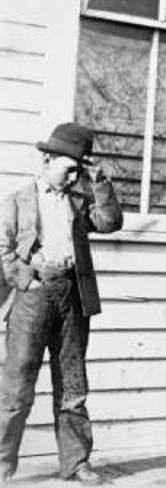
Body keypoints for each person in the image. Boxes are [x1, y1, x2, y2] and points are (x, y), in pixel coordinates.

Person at [0, 122, 123, 485]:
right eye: (69, 168)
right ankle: (2, 465)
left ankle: (75, 463)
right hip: (33, 298)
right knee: (17, 386)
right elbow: (2, 249)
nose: (74, 177)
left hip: (73, 296)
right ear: (47, 160)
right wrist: (27, 279)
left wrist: (100, 183)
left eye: (79, 171)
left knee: (72, 386)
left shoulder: (81, 199)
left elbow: (111, 222)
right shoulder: (17, 200)